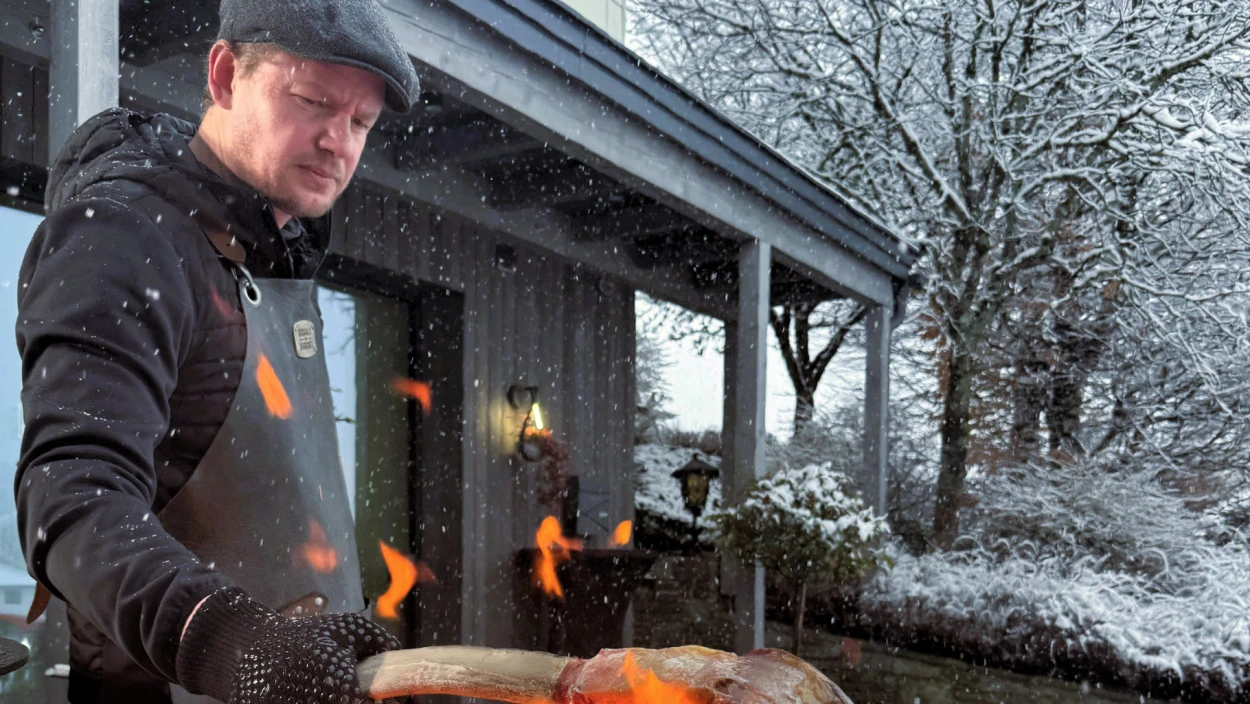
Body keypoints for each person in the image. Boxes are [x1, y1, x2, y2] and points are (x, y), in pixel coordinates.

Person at [13, 0, 421, 701]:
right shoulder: (124, 237)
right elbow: (72, 498)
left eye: (361, 123)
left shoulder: (268, 254)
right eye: (313, 101)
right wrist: (228, 639)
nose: (339, 142)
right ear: (227, 75)